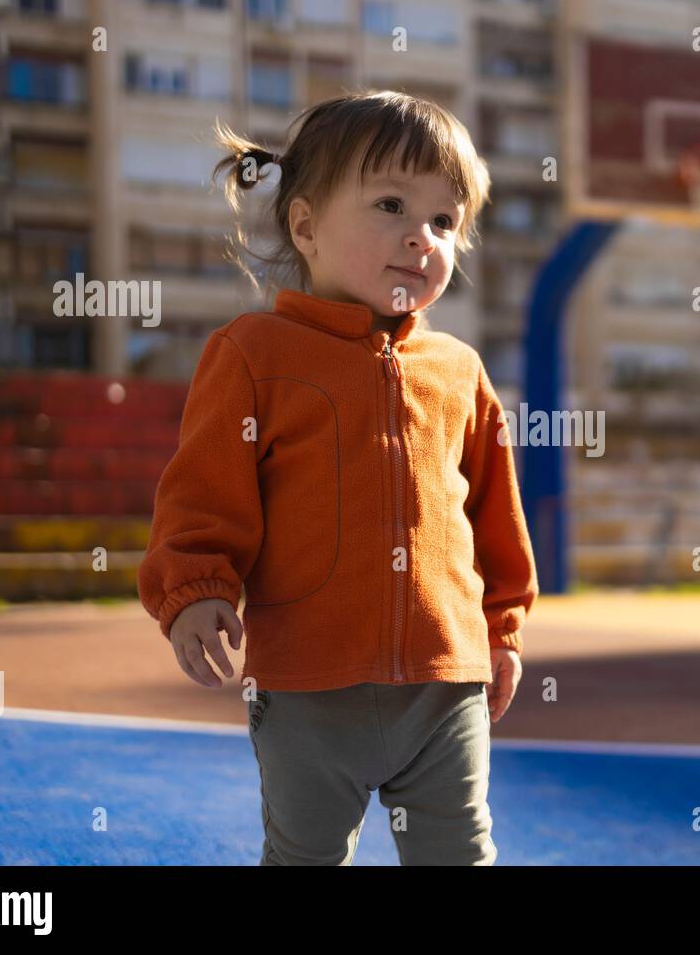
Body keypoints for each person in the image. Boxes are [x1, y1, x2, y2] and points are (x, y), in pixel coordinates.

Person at [137, 90, 538, 866]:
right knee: (305, 857)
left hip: (445, 683)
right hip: (306, 687)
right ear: (306, 225)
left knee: (460, 853)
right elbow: (202, 494)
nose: (421, 238)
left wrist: (504, 628)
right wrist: (195, 590)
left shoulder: (460, 371)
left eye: (444, 221)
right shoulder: (254, 352)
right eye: (390, 204)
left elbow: (495, 515)